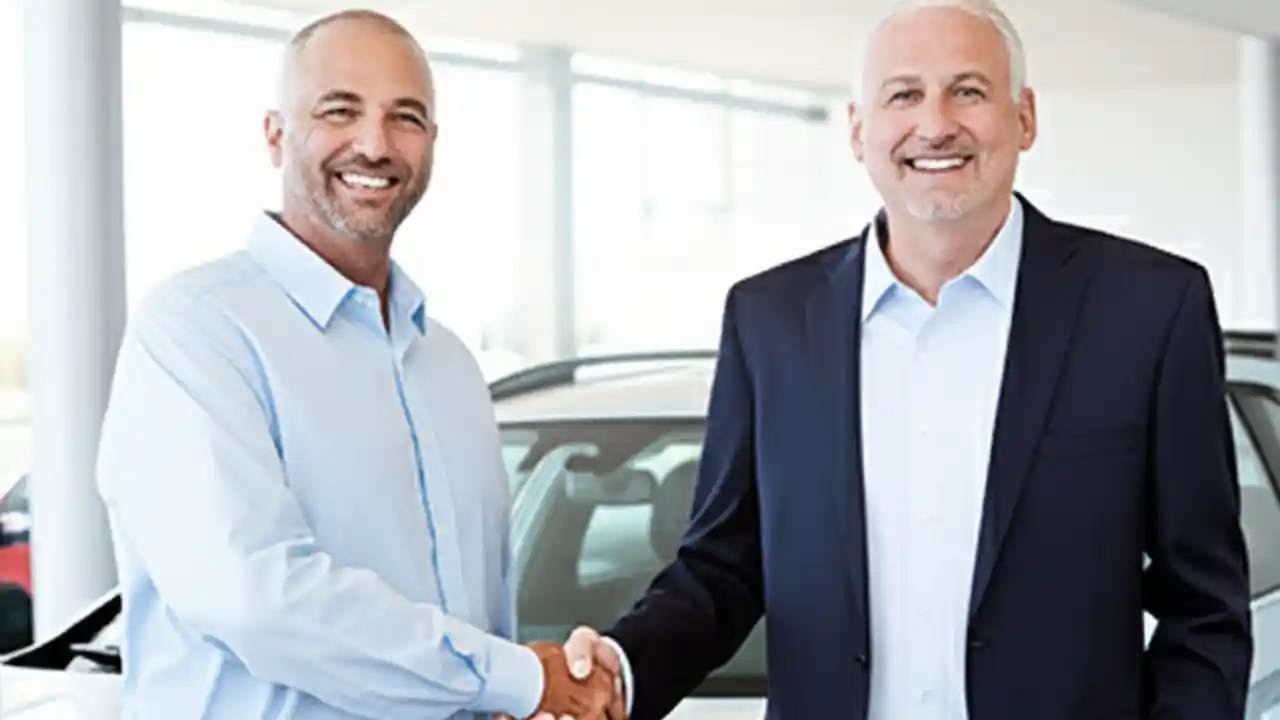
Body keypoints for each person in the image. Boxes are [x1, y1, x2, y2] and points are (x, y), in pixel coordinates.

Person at [557, 0, 1254, 718]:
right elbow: (723, 565)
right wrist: (623, 668)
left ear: (1024, 117)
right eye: (903, 95)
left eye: (968, 90)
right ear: (859, 130)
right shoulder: (770, 321)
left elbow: (1204, 605)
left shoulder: (1147, 310)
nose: (935, 124)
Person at [95, 9, 617, 719]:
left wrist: (528, 688)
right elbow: (256, 597)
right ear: (276, 135)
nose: (375, 145)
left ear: (432, 144)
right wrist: (519, 679)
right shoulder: (198, 330)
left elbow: (486, 622)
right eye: (339, 111)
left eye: (406, 117)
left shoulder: (449, 366)